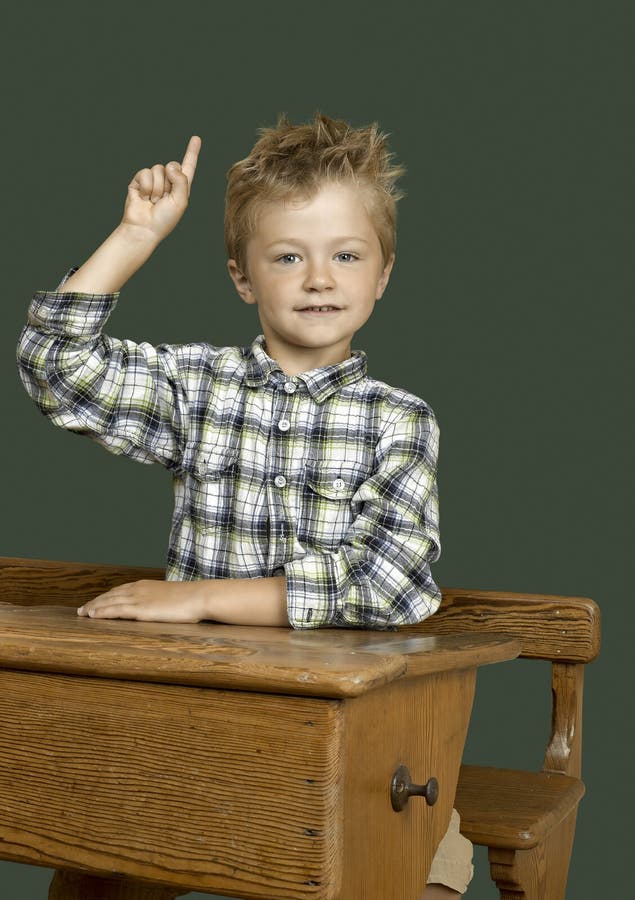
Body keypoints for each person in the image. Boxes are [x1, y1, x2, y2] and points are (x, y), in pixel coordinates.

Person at [16, 111, 474, 896]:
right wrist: (136, 236)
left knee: (419, 865)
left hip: (345, 732)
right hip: (198, 715)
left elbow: (393, 587)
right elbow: (56, 366)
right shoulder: (197, 388)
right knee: (92, 855)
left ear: (382, 273)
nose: (319, 279)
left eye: (346, 255)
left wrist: (197, 600)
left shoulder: (398, 421)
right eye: (288, 256)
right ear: (242, 276)